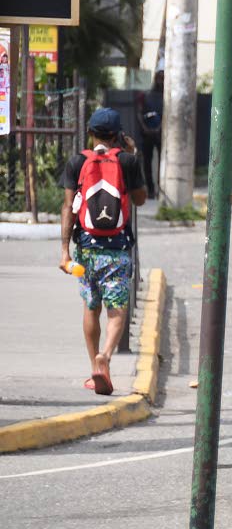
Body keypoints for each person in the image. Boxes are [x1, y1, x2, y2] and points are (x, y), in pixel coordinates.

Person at [58, 107, 148, 396]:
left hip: (86, 249)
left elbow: (68, 208)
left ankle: (93, 367)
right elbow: (140, 199)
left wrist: (65, 251)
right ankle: (105, 356)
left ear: (90, 133)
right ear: (118, 135)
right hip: (117, 249)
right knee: (117, 310)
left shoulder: (77, 162)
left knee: (91, 307)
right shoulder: (127, 161)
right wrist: (134, 157)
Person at [135, 70, 163, 195]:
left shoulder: (167, 96)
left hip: (161, 134)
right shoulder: (145, 95)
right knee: (147, 162)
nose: (161, 81)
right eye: (159, 78)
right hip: (147, 134)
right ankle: (151, 189)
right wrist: (144, 128)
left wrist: (160, 128)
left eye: (163, 79)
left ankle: (161, 188)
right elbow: (139, 112)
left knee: (163, 163)